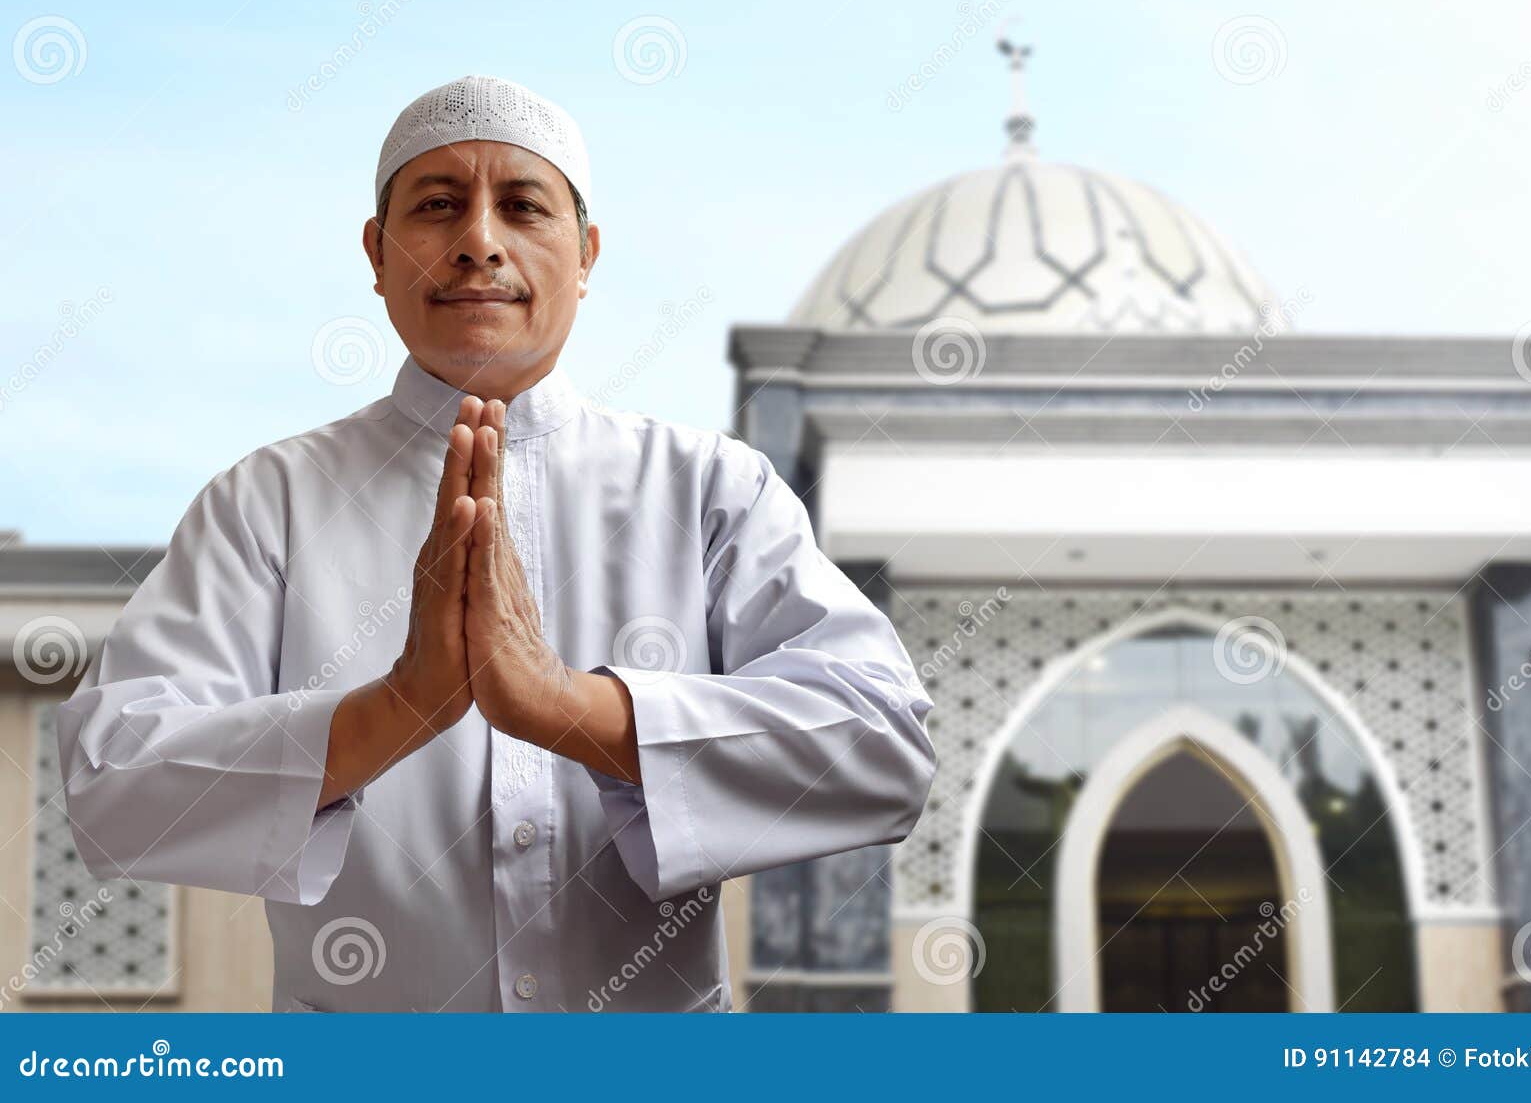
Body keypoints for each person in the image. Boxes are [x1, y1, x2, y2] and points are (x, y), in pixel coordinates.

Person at [55, 74, 936, 1012]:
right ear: (378, 253)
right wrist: (395, 706)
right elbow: (116, 781)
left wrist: (574, 710)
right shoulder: (267, 501)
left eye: (523, 205)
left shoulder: (711, 488)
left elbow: (884, 745)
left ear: (586, 253)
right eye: (436, 206)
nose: (478, 240)